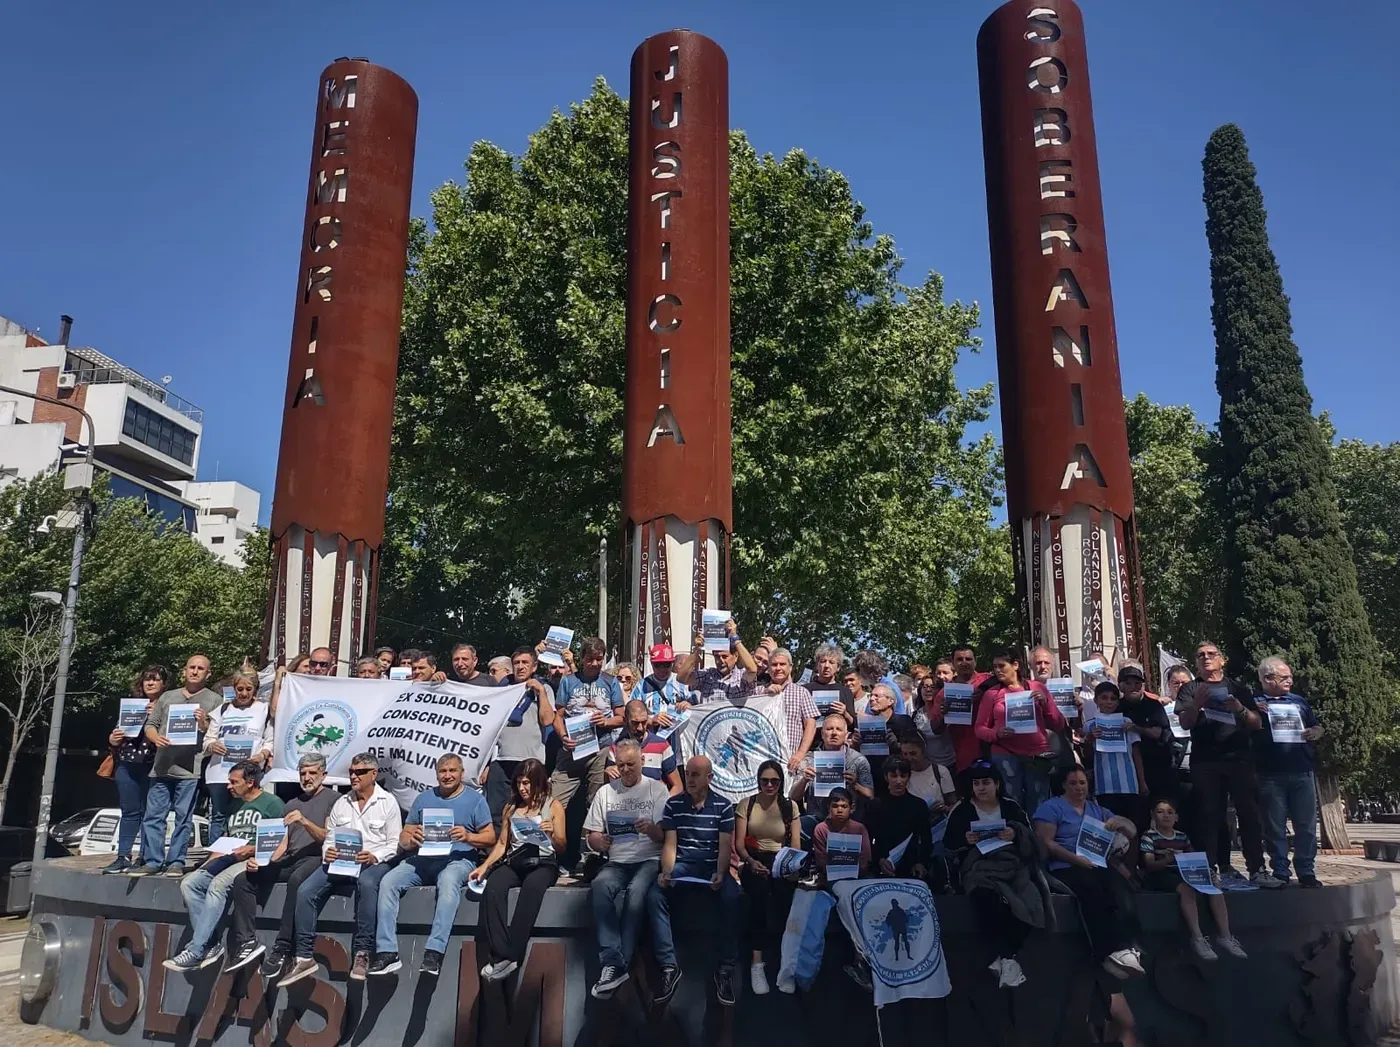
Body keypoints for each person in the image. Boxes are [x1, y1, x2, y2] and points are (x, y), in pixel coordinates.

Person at [281, 752, 401, 986]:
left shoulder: (388, 803)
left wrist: (374, 856)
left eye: (360, 772)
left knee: (368, 884)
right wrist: (329, 852)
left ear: (374, 774)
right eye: (351, 772)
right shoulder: (342, 803)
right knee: (305, 891)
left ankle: (362, 953)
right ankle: (304, 956)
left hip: (372, 862)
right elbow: (330, 838)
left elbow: (394, 843)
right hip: (340, 863)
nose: (354, 776)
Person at [372, 754, 496, 977]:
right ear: (436, 773)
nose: (447, 775)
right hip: (423, 858)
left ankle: (434, 951)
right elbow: (404, 835)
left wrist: (468, 836)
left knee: (448, 882)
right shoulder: (424, 798)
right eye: (443, 771)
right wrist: (412, 839)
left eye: (452, 771)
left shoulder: (475, 800)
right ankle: (387, 952)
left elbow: (490, 837)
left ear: (462, 773)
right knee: (388, 881)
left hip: (459, 859)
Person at [1176, 641, 1281, 888]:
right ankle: (1210, 869)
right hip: (1206, 761)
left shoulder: (1238, 688)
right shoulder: (1190, 689)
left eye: (1211, 654)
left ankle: (1257, 870)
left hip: (1239, 759)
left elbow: (1256, 722)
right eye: (1200, 655)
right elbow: (1184, 723)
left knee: (1249, 814)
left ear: (1222, 660)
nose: (1206, 658)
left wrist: (1240, 709)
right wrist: (1196, 705)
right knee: (1210, 815)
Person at [224, 753, 337, 977]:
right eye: (303, 773)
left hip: (317, 857)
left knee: (297, 880)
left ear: (324, 775)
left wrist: (304, 821)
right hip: (291, 858)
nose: (307, 777)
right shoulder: (292, 804)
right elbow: (283, 844)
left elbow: (328, 837)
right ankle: (247, 941)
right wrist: (265, 862)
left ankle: (283, 946)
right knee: (243, 879)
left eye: (312, 773)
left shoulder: (334, 800)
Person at [165, 760, 284, 971]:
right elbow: (228, 839)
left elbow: (279, 842)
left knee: (218, 885)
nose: (228, 786)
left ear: (250, 782)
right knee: (190, 883)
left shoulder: (272, 804)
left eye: (233, 782)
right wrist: (206, 866)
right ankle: (210, 943)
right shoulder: (234, 805)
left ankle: (195, 950)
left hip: (253, 860)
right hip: (230, 856)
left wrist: (252, 850)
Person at [583, 738, 675, 1002]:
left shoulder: (657, 790)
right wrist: (597, 841)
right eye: (621, 765)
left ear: (642, 762)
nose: (625, 770)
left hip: (648, 858)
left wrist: (652, 830)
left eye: (631, 765)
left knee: (637, 894)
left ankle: (617, 964)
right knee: (600, 886)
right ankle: (612, 959)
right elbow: (591, 835)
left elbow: (666, 835)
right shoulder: (606, 792)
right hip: (617, 860)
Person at [1033, 767, 1145, 978]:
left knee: (1120, 888)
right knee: (1091, 890)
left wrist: (1121, 822)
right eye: (1073, 783)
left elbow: (1131, 831)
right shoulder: (1050, 807)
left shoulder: (1097, 809)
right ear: (1064, 785)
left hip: (1098, 864)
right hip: (1065, 866)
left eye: (1082, 782)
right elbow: (1046, 844)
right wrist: (1075, 859)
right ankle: (1105, 953)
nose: (1079, 787)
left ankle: (1131, 947)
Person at [945, 759, 1044, 988]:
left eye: (986, 782)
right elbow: (949, 846)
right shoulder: (961, 810)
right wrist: (965, 841)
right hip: (978, 868)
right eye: (977, 783)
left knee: (1032, 902)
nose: (981, 788)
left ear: (997, 784)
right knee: (987, 901)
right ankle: (1009, 958)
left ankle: (1005, 959)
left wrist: (1015, 833)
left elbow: (1030, 839)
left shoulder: (1011, 807)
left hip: (1013, 866)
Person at [471, 758, 567, 981]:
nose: (523, 788)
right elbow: (503, 844)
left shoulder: (553, 806)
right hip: (516, 861)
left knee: (532, 889)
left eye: (527, 783)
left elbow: (562, 846)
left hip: (543, 862)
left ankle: (511, 954)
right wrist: (485, 866)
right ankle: (502, 954)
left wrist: (551, 834)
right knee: (493, 887)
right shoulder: (511, 808)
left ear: (538, 783)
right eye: (519, 783)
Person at [657, 756, 741, 1006]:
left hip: (711, 865)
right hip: (683, 865)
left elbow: (725, 846)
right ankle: (668, 967)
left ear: (709, 778)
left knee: (732, 897)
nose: (690, 779)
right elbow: (670, 844)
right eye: (688, 774)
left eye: (695, 775)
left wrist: (720, 872)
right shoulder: (673, 805)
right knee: (654, 895)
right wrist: (666, 872)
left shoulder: (724, 806)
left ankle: (725, 970)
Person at [134, 654, 222, 877]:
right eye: (191, 667)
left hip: (189, 769)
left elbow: (214, 734)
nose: (195, 671)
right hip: (162, 766)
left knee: (184, 818)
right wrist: (155, 738)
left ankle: (176, 861)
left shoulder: (214, 701)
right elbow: (151, 725)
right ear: (184, 670)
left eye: (200, 668)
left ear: (208, 674)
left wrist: (203, 724)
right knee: (154, 816)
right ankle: (153, 861)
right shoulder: (167, 697)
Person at [1139, 797, 1247, 961]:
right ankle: (1197, 937)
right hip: (1161, 875)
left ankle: (1226, 936)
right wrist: (1166, 860)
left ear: (1176, 817)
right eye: (1160, 812)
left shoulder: (1182, 837)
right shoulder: (1149, 836)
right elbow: (1149, 864)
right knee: (1186, 889)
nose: (1165, 816)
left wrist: (1207, 872)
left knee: (1214, 886)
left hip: (1184, 873)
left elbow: (1194, 859)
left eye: (1170, 812)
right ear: (1153, 815)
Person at [551, 636, 625, 866]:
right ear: (581, 658)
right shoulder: (568, 681)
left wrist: (605, 722)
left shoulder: (610, 682)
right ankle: (554, 854)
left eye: (599, 659)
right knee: (555, 800)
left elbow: (622, 717)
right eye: (590, 659)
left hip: (600, 749)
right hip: (572, 749)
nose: (594, 663)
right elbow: (558, 716)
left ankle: (594, 854)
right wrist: (563, 737)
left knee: (597, 801)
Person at [1253, 656, 1324, 888]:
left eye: (1290, 677)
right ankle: (1280, 871)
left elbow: (1317, 726)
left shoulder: (1299, 701)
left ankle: (1306, 871)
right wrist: (1251, 712)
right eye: (1284, 677)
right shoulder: (1254, 702)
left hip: (1302, 771)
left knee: (1306, 825)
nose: (1290, 681)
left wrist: (1315, 732)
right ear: (1267, 678)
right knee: (1274, 827)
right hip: (1270, 774)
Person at [733, 759, 801, 996]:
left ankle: (786, 964)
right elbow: (739, 844)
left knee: (787, 900)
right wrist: (751, 862)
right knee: (758, 898)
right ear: (758, 781)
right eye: (765, 781)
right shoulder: (747, 804)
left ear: (781, 782)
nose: (769, 785)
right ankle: (756, 962)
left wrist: (789, 866)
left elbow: (794, 844)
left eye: (774, 781)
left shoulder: (789, 806)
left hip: (781, 859)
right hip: (754, 859)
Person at [974, 651, 1066, 816]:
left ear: (1015, 665)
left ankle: (1038, 838)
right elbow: (979, 728)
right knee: (1012, 800)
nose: (998, 670)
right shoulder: (991, 694)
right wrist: (996, 734)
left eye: (1002, 666)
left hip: (1037, 755)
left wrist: (1045, 704)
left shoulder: (1037, 687)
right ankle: (1018, 835)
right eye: (995, 667)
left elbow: (1059, 724)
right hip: (1005, 754)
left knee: (1039, 801)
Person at [102, 665, 168, 874]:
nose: (150, 683)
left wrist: (156, 717)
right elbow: (117, 734)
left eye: (155, 679)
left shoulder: (168, 705)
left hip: (153, 766)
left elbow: (174, 733)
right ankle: (123, 856)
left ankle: (147, 857)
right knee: (129, 811)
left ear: (164, 683)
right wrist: (112, 739)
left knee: (152, 813)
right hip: (127, 764)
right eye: (147, 679)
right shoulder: (132, 705)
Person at [482, 651, 555, 826]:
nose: (520, 666)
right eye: (516, 663)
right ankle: (498, 851)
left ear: (534, 666)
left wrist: (541, 693)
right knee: (496, 810)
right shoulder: (501, 690)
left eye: (525, 662)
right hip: (501, 758)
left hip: (530, 758)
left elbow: (547, 720)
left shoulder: (544, 688)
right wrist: (485, 764)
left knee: (529, 808)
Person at [202, 669, 273, 842]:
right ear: (234, 688)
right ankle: (214, 856)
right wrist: (212, 746)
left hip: (247, 772)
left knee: (244, 812)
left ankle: (238, 852)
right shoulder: (223, 709)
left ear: (255, 689)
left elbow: (270, 741)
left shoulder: (264, 710)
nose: (244, 693)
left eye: (248, 689)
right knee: (218, 815)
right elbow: (207, 740)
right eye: (240, 689)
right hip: (220, 772)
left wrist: (261, 756)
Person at [791, 714, 875, 840]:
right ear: (822, 733)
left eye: (838, 729)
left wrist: (855, 785)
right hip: (817, 818)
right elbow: (793, 796)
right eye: (830, 729)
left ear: (846, 735)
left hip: (849, 820)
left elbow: (870, 795)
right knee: (799, 826)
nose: (834, 733)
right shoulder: (809, 760)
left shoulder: (858, 760)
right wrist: (804, 780)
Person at [1083, 681, 1149, 833]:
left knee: (1131, 828)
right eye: (1104, 698)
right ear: (1096, 700)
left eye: (1113, 698)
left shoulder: (1126, 723)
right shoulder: (1090, 725)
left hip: (1129, 784)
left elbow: (1136, 753)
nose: (1108, 702)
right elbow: (1088, 756)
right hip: (1104, 785)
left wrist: (1142, 781)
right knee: (1108, 828)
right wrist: (1089, 739)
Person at [1117, 663, 1176, 803]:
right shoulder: (1117, 707)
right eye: (1128, 683)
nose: (1134, 687)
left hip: (1158, 767)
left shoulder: (1153, 705)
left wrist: (1136, 728)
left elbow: (1158, 733)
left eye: (1138, 683)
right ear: (1121, 686)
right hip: (1127, 770)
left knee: (1163, 809)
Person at [929, 644, 992, 772]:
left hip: (994, 751)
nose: (964, 663)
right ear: (953, 663)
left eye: (968, 659)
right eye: (959, 659)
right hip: (964, 757)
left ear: (975, 661)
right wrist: (943, 714)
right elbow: (936, 729)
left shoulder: (989, 680)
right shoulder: (944, 693)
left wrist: (985, 694)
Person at [867, 757, 932, 879]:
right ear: (886, 777)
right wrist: (879, 860)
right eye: (894, 776)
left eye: (903, 776)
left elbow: (926, 839)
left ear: (908, 777)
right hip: (883, 865)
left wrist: (921, 863)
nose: (899, 781)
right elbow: (869, 838)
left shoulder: (918, 805)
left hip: (912, 867)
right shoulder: (876, 805)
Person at [605, 699, 682, 793]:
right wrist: (608, 773)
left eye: (644, 722)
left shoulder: (662, 745)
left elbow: (677, 786)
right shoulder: (616, 749)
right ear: (625, 721)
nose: (640, 728)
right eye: (635, 723)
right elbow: (609, 788)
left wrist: (664, 804)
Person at [763, 648, 818, 772]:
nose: (778, 668)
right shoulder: (758, 692)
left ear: (790, 667)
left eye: (782, 664)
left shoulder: (802, 692)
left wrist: (800, 753)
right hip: (763, 760)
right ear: (768, 668)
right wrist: (765, 694)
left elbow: (811, 725)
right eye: (774, 664)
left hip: (790, 760)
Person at [851, 683, 915, 789]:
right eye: (870, 696)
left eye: (877, 696)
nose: (871, 699)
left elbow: (916, 750)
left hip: (897, 782)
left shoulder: (903, 722)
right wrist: (855, 744)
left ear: (891, 701)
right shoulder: (863, 724)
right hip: (871, 781)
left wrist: (897, 745)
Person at [685, 621, 758, 703]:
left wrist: (735, 638)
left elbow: (752, 670)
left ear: (736, 656)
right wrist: (697, 649)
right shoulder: (707, 675)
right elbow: (682, 678)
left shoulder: (742, 677)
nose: (720, 661)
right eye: (717, 656)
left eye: (725, 656)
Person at [812, 787, 871, 881]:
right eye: (835, 806)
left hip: (857, 876)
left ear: (851, 808)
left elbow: (865, 860)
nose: (839, 810)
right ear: (829, 808)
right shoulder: (821, 829)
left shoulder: (859, 829)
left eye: (844, 806)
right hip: (829, 877)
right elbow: (821, 860)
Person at [638, 643, 695, 726]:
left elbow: (699, 710)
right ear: (651, 664)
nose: (662, 669)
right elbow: (631, 715)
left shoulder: (683, 683)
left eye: (666, 665)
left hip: (679, 735)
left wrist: (690, 706)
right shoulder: (641, 685)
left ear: (672, 664)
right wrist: (651, 720)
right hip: (653, 736)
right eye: (657, 665)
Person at [898, 737, 956, 814]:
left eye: (913, 753)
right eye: (905, 754)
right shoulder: (901, 775)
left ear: (923, 751)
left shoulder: (940, 771)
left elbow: (954, 805)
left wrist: (945, 809)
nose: (909, 758)